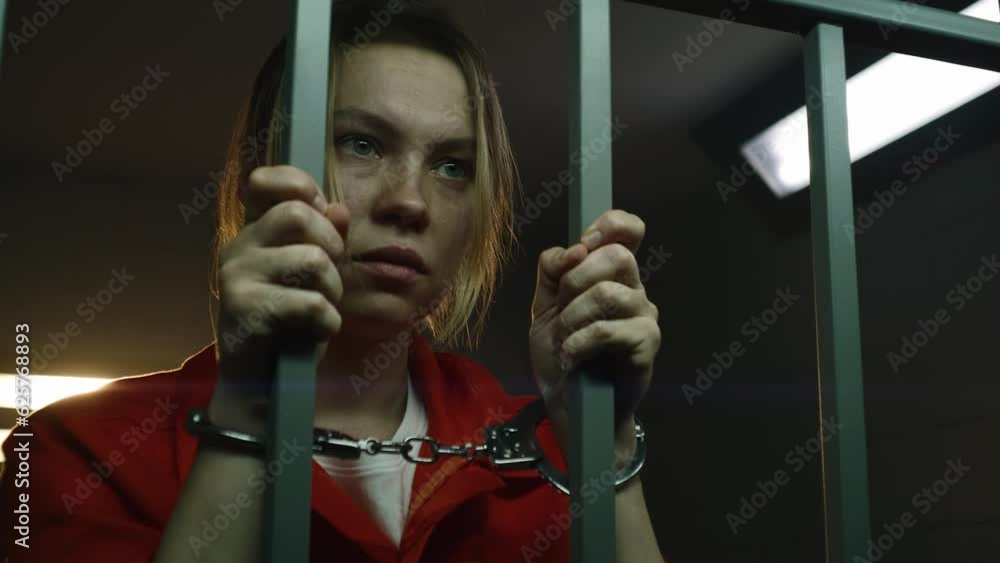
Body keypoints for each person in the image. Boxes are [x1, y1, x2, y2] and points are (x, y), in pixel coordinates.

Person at [0, 1, 664, 561]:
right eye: (362, 143)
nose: (410, 201)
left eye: (452, 166)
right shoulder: (77, 450)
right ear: (265, 171)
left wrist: (603, 448)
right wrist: (249, 411)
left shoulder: (540, 460)